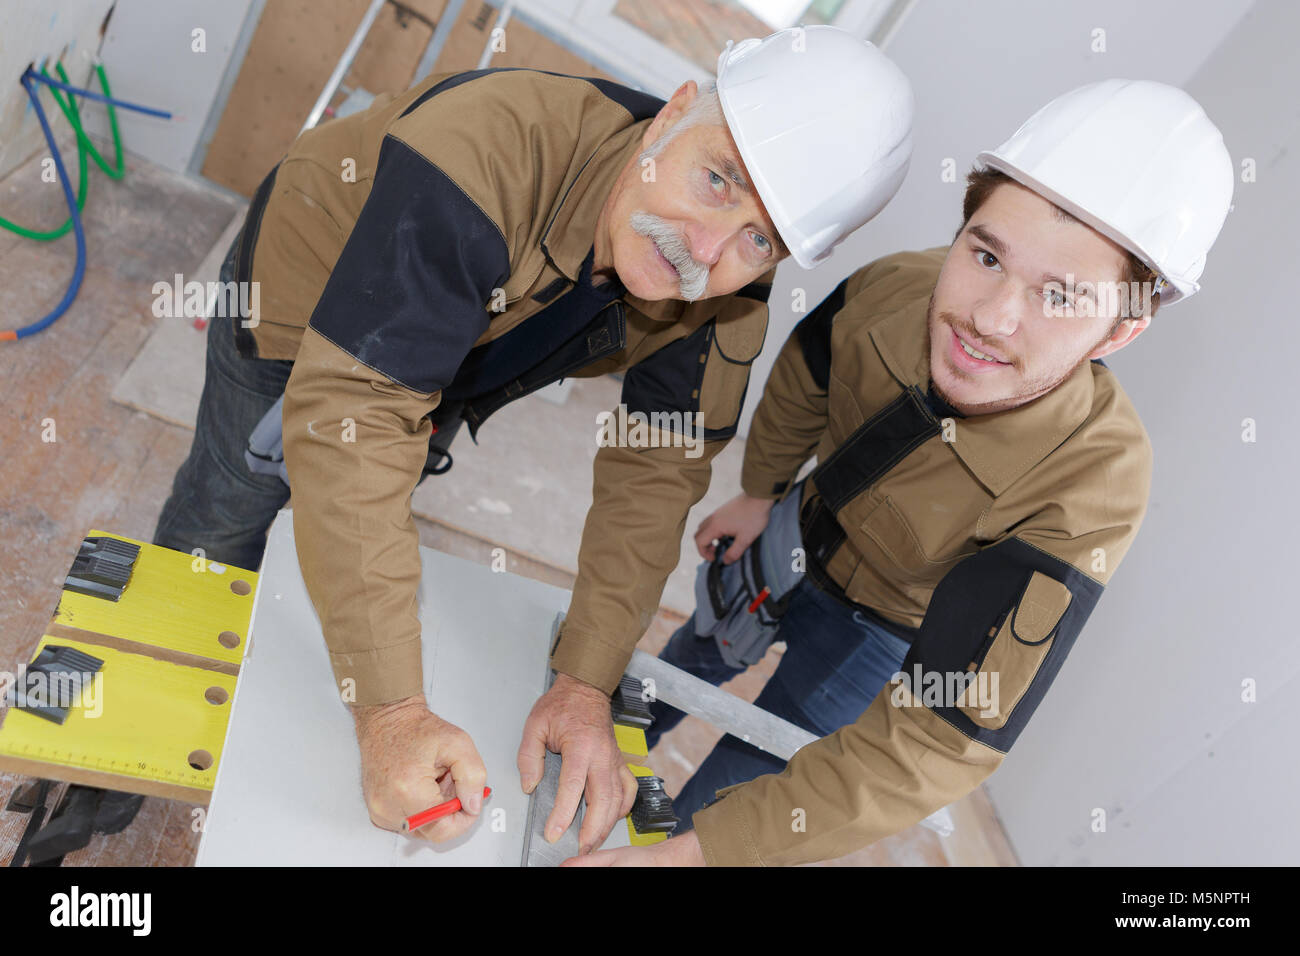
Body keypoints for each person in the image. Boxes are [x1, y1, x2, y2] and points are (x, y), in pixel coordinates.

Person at [151, 26, 915, 852]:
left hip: (446, 354)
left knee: (357, 517)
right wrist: (392, 712)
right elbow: (359, 417)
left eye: (760, 240)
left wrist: (586, 681)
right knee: (231, 506)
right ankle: (120, 747)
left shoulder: (727, 296)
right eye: (716, 180)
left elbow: (655, 481)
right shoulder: (484, 153)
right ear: (673, 116)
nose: (704, 251)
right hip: (302, 293)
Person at [568, 78, 1234, 866]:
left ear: (1119, 332)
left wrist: (691, 855)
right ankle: (582, 779)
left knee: (747, 787)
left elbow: (938, 739)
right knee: (676, 674)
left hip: (880, 633)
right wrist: (760, 490)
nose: (990, 317)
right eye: (986, 255)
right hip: (797, 534)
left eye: (1060, 295)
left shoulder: (1094, 482)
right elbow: (805, 375)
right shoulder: (897, 288)